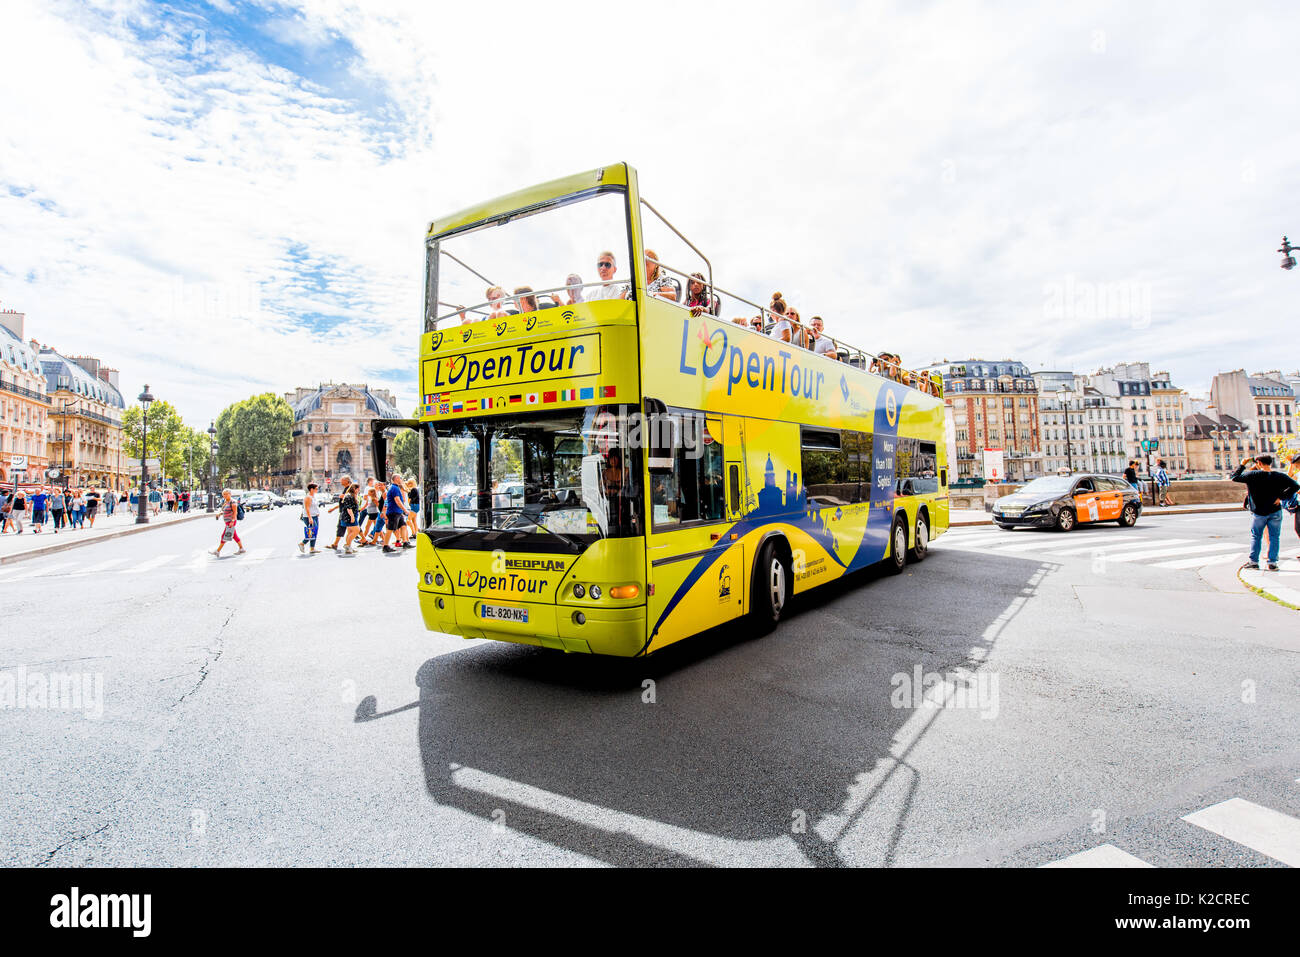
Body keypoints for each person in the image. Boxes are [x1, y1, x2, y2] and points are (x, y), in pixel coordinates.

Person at [1231, 454, 1300, 571]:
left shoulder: (1252, 475)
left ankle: (1253, 562)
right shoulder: (1279, 476)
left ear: (1259, 463)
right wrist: (1281, 497)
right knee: (1274, 537)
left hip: (1258, 511)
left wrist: (1242, 464)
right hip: (1275, 511)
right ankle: (1272, 562)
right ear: (1270, 463)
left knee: (1256, 536)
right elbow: (1295, 485)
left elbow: (1234, 477)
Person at [381, 474, 411, 553]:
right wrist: (405, 509)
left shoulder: (395, 487)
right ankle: (385, 546)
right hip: (394, 512)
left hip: (397, 512)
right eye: (400, 478)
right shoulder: (394, 488)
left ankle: (405, 542)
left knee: (403, 526)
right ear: (396, 479)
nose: (401, 479)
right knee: (390, 529)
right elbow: (397, 500)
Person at [212, 488, 245, 556]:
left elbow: (235, 512)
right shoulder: (225, 502)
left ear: (230, 494)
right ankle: (241, 549)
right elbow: (224, 511)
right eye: (223, 494)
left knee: (224, 536)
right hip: (227, 521)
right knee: (234, 536)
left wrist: (232, 521)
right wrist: (219, 514)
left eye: (226, 494)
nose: (225, 495)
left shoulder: (233, 502)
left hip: (231, 521)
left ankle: (217, 551)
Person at [299, 482, 320, 554]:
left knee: (314, 532)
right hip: (309, 517)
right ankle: (302, 543)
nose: (317, 490)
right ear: (311, 489)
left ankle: (312, 548)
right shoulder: (308, 497)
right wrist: (310, 518)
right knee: (312, 531)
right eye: (316, 489)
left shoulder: (313, 496)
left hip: (314, 516)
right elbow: (307, 508)